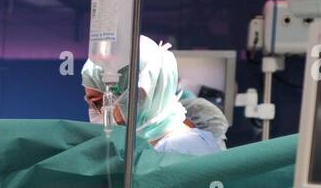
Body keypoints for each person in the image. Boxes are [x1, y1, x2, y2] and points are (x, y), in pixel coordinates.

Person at [81, 36, 226, 154]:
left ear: (137, 97)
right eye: (91, 104)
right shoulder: (149, 147)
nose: (97, 113)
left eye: (99, 103)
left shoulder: (182, 149)